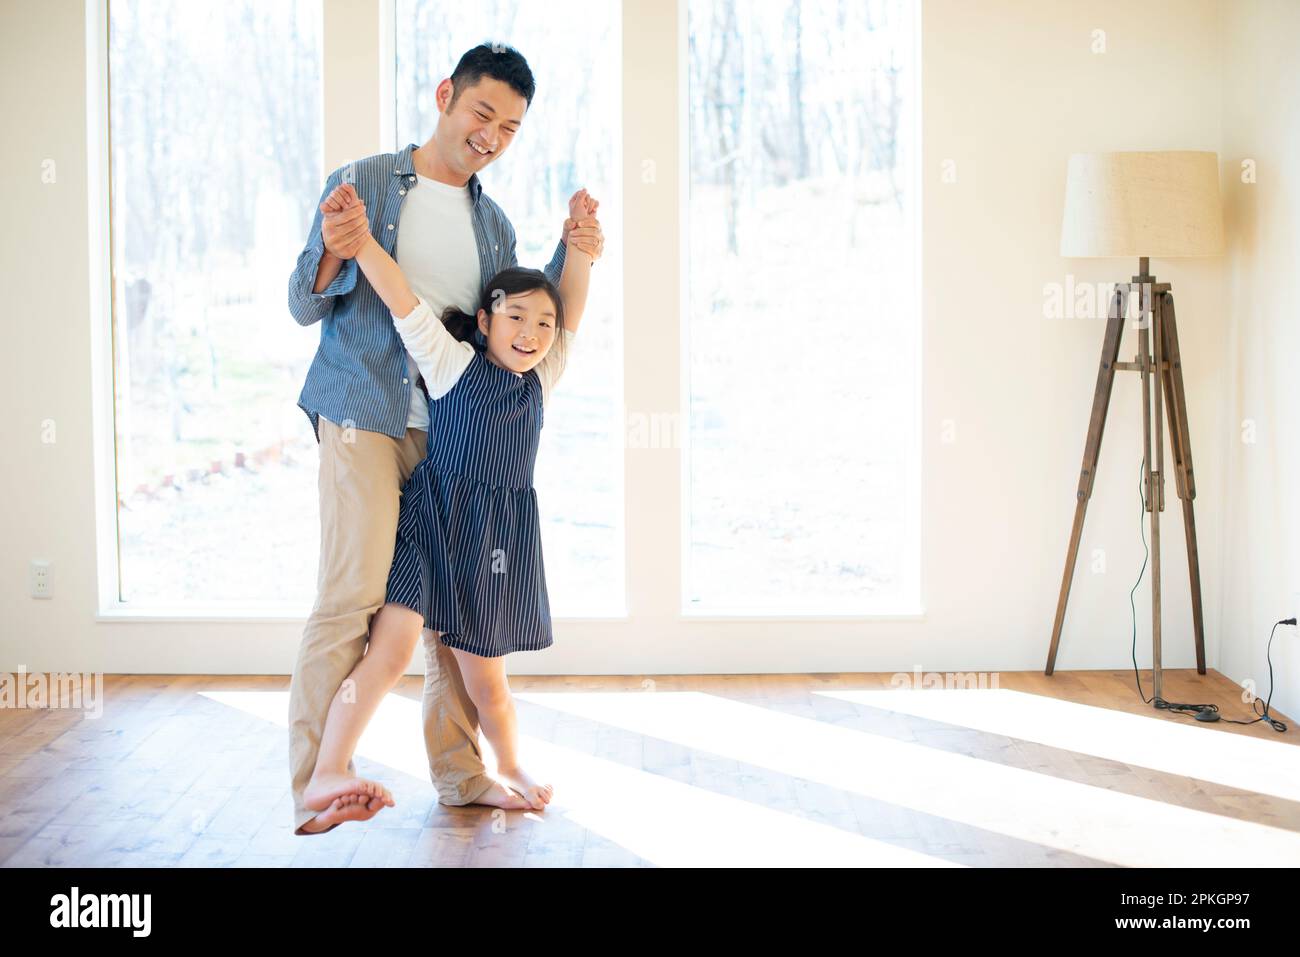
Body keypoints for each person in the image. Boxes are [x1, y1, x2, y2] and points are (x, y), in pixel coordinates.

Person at [286, 42, 604, 834]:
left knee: (454, 620)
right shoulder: (362, 182)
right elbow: (305, 300)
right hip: (363, 414)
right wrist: (340, 242)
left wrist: (579, 249)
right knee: (354, 598)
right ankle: (317, 779)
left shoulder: (492, 224)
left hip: (448, 437)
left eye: (510, 126)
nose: (491, 133)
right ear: (445, 97)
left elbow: (534, 317)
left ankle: (464, 777)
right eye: (481, 112)